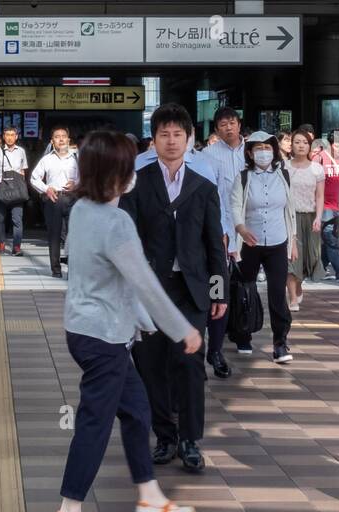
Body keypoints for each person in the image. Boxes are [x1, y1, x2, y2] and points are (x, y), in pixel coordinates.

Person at [50, 130, 202, 512]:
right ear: (117, 174)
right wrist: (182, 329)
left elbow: (115, 282)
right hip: (103, 340)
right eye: (130, 164)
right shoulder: (116, 222)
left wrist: (144, 323)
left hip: (87, 331)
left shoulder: (81, 209)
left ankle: (151, 499)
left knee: (136, 413)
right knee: (95, 423)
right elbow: (146, 284)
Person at [120, 102, 228, 474]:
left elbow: (215, 244)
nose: (170, 141)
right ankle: (164, 435)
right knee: (150, 364)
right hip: (150, 288)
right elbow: (128, 239)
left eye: (177, 135)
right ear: (154, 139)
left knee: (189, 363)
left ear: (189, 139)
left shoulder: (203, 187)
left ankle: (189, 439)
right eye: (163, 134)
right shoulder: (138, 183)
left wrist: (218, 292)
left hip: (191, 290)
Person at [231, 131, 297, 363]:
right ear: (249, 152)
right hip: (250, 242)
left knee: (278, 293)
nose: (263, 152)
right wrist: (240, 228)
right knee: (245, 289)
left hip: (278, 242)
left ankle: (280, 343)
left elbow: (290, 210)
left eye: (268, 148)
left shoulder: (284, 176)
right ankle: (242, 334)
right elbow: (235, 206)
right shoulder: (243, 177)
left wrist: (293, 241)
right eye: (258, 148)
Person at [201, 107, 247, 377]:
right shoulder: (206, 157)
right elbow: (210, 198)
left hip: (246, 234)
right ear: (216, 129)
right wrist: (219, 231)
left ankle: (233, 340)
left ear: (239, 124)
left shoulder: (252, 152)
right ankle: (213, 349)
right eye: (223, 124)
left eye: (232, 122)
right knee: (216, 290)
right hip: (218, 236)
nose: (228, 127)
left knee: (236, 291)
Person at [285, 128, 326, 310]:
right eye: (297, 142)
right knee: (291, 257)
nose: (301, 146)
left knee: (309, 257)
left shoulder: (317, 169)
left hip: (310, 217)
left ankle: (299, 286)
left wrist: (318, 217)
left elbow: (319, 196)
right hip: (289, 217)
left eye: (305, 142)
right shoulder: (284, 167)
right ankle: (292, 297)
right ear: (291, 145)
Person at [31, 126, 79, 278]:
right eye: (57, 137)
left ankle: (73, 269)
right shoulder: (47, 159)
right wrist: (46, 189)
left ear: (68, 140)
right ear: (52, 141)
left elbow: (87, 176)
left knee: (74, 235)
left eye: (63, 136)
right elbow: (34, 177)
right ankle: (56, 269)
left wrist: (76, 184)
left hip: (73, 199)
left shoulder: (77, 157)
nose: (61, 139)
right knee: (54, 235)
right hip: (54, 198)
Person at [0, 126, 29, 256]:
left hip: (17, 187)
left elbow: (22, 170)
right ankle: (2, 244)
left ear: (16, 136)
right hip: (0, 186)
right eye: (7, 135)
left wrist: (23, 185)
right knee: (0, 217)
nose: (9, 137)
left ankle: (17, 247)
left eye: (12, 134)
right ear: (4, 137)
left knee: (17, 218)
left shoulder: (21, 151)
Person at [318, 130, 339, 282]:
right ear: (330, 144)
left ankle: (319, 267)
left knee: (329, 239)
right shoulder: (320, 158)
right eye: (337, 144)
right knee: (331, 238)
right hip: (325, 206)